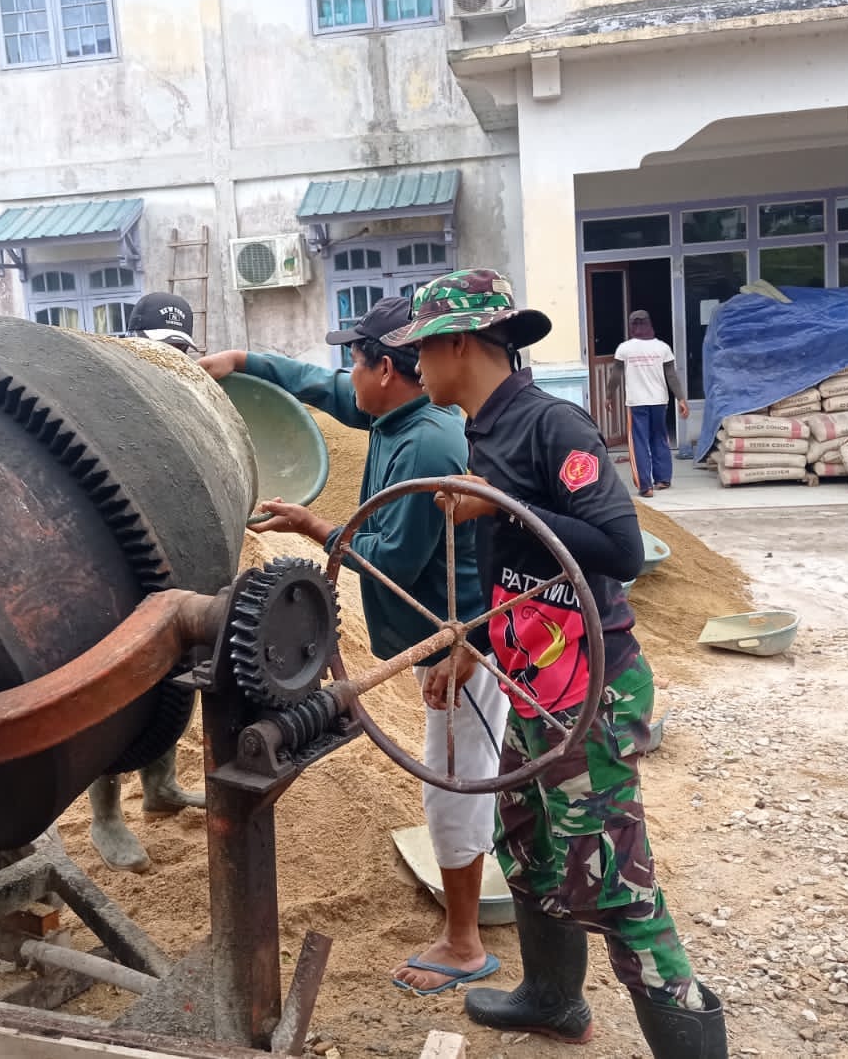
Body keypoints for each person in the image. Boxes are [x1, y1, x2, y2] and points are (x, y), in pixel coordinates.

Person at [384, 270, 726, 1057]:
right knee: (530, 843)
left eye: (420, 352)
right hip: (530, 681)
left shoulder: (551, 428)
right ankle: (551, 999)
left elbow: (622, 550)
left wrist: (502, 504)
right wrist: (470, 642)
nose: (413, 368)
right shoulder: (480, 430)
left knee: (614, 880)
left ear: (460, 345)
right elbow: (514, 575)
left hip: (589, 691)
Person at [198, 297, 511, 997]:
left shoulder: (429, 443)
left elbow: (387, 563)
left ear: (389, 371)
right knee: (479, 770)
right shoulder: (396, 412)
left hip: (462, 643)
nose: (349, 373)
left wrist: (312, 526)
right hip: (437, 634)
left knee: (453, 786)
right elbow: (323, 388)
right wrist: (243, 362)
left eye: (358, 359)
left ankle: (464, 944)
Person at [88, 291, 207, 873]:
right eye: (165, 351)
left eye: (182, 351)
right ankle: (106, 816)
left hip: (174, 548)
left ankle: (162, 789)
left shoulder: (187, 399)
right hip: (115, 555)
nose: (175, 362)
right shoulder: (104, 397)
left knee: (175, 674)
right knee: (115, 685)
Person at [612, 311, 689, 498]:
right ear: (649, 324)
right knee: (659, 438)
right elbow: (671, 376)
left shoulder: (625, 348)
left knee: (639, 442)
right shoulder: (662, 348)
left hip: (636, 402)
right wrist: (681, 398)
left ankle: (645, 486)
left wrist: (608, 397)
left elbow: (615, 376)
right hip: (659, 401)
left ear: (631, 326)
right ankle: (663, 479)